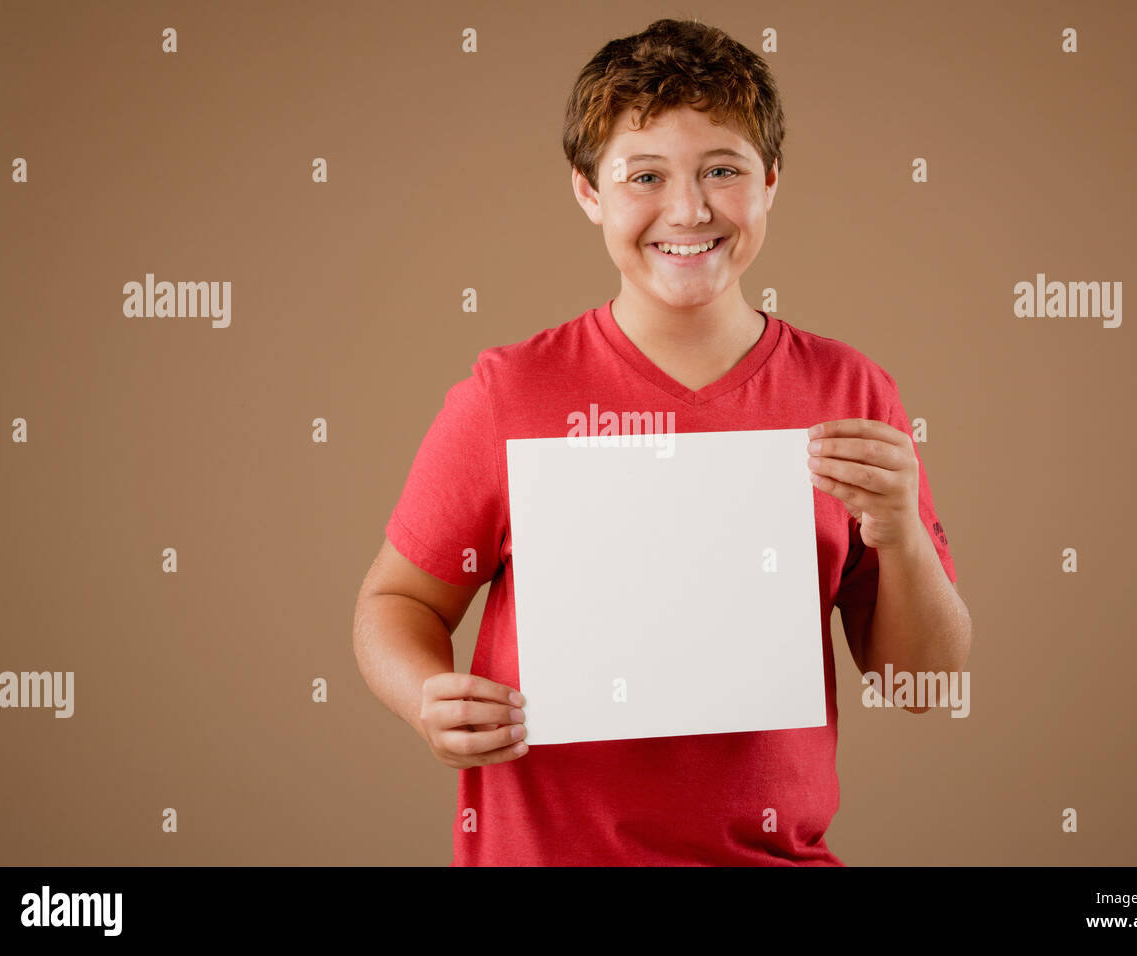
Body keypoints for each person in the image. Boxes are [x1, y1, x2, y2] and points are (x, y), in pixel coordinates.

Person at [353, 17, 972, 866]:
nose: (689, 209)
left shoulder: (850, 391)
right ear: (588, 192)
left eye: (723, 170)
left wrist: (900, 535)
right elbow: (395, 604)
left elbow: (923, 686)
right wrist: (428, 697)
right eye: (646, 175)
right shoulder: (510, 392)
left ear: (770, 182)